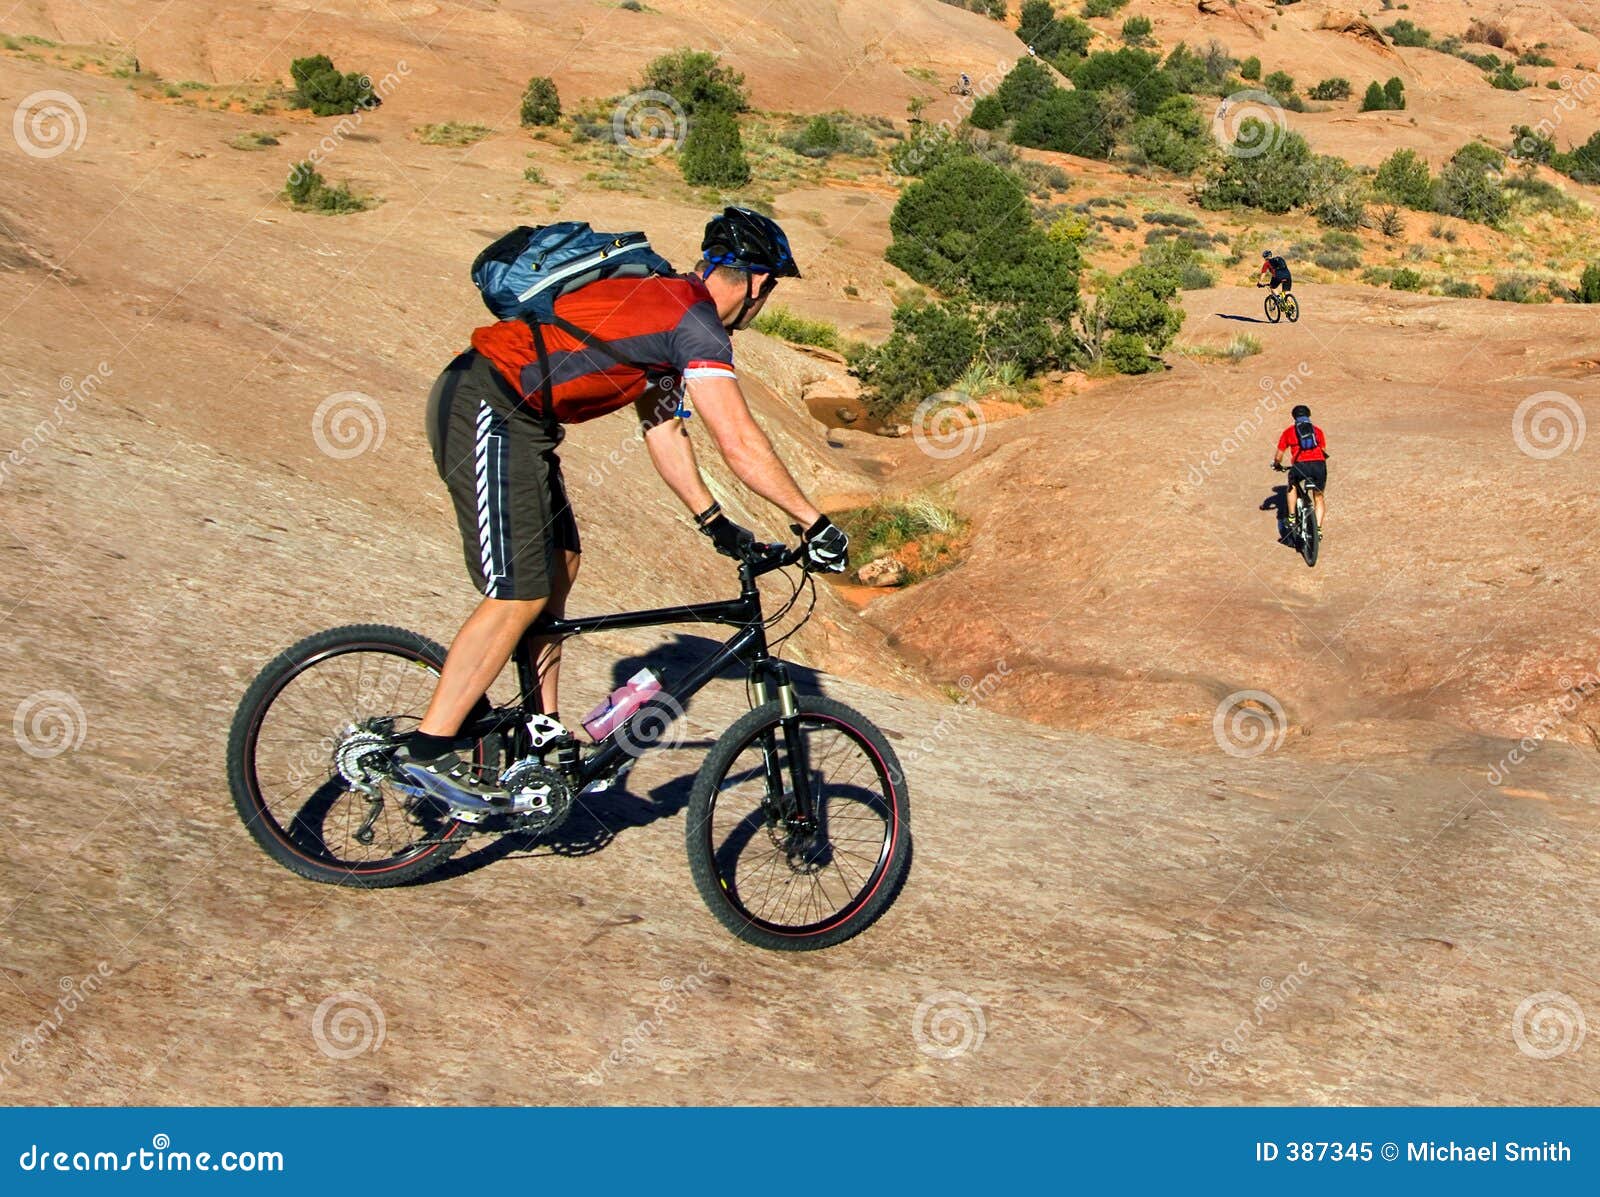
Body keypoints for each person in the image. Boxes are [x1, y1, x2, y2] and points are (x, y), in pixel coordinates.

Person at [398, 207, 850, 809]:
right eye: (768, 287)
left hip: (521, 422)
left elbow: (664, 429)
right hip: (489, 405)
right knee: (519, 592)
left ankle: (541, 730)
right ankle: (429, 749)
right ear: (755, 280)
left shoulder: (666, 307)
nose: (763, 301)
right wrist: (814, 522)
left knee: (561, 564)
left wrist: (713, 520)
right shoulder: (693, 321)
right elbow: (738, 440)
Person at [1274, 403, 1328, 537]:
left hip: (1300, 465)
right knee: (1319, 497)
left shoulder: (1288, 432)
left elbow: (1278, 456)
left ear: (1294, 417)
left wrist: (1277, 464)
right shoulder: (1317, 431)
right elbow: (1323, 451)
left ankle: (1292, 517)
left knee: (1292, 485)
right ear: (1308, 416)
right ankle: (1318, 530)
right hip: (1319, 465)